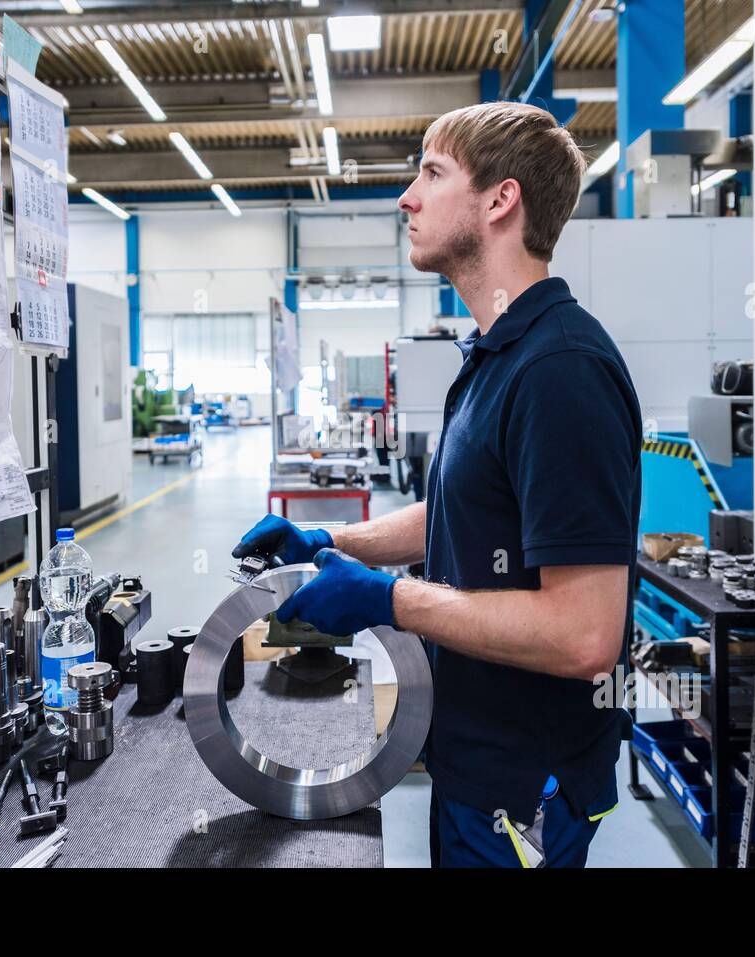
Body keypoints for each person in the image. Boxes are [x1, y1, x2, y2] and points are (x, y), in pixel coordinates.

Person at [233, 101, 642, 868]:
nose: (406, 197)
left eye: (431, 172)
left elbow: (586, 635)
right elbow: (463, 510)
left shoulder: (560, 372)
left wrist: (388, 599)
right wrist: (331, 540)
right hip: (469, 756)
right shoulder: (496, 356)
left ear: (499, 200)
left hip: (524, 787)